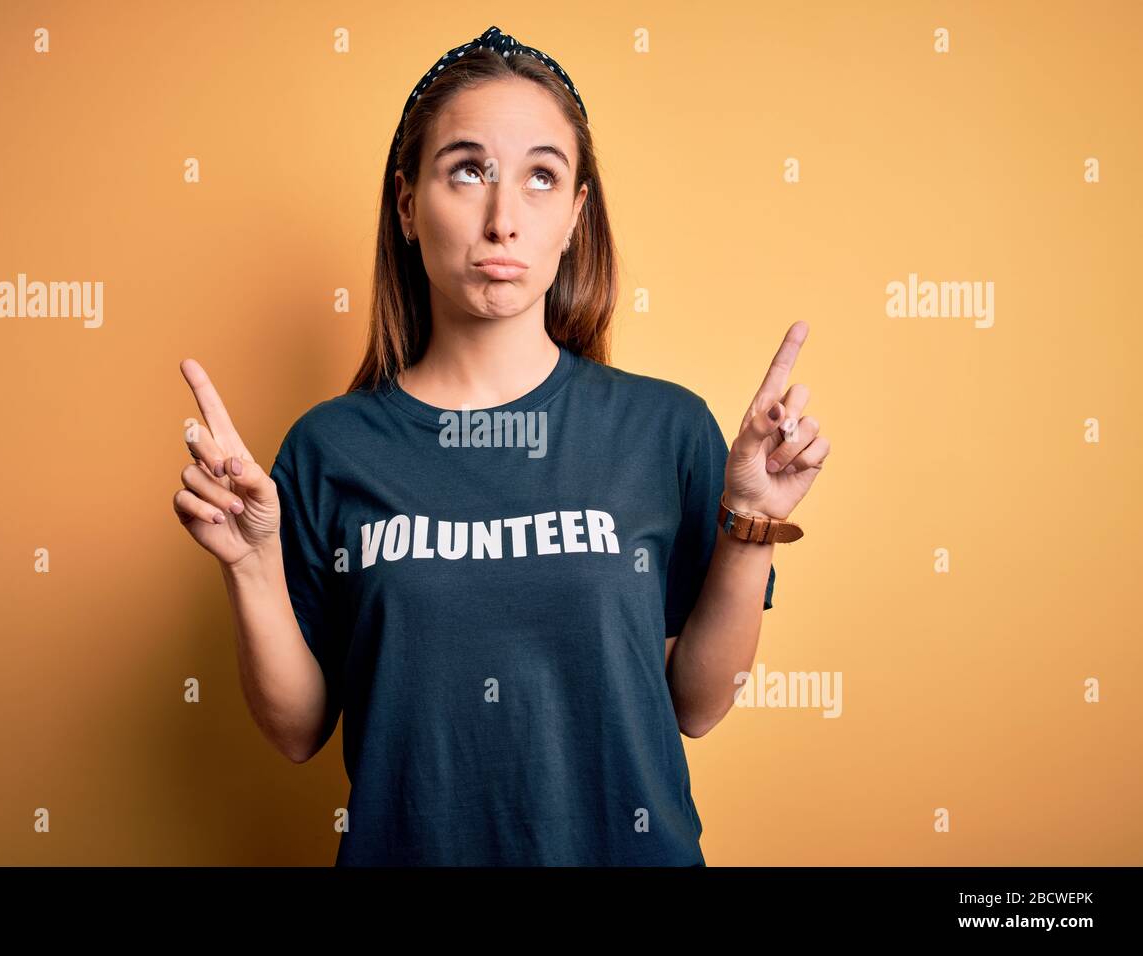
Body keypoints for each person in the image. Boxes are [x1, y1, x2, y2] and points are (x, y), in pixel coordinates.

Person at [173, 25, 830, 866]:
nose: (502, 219)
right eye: (468, 170)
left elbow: (697, 706)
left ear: (575, 216)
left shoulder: (666, 431)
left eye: (541, 177)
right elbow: (299, 731)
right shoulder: (327, 449)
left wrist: (748, 522)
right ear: (409, 205)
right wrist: (251, 563)